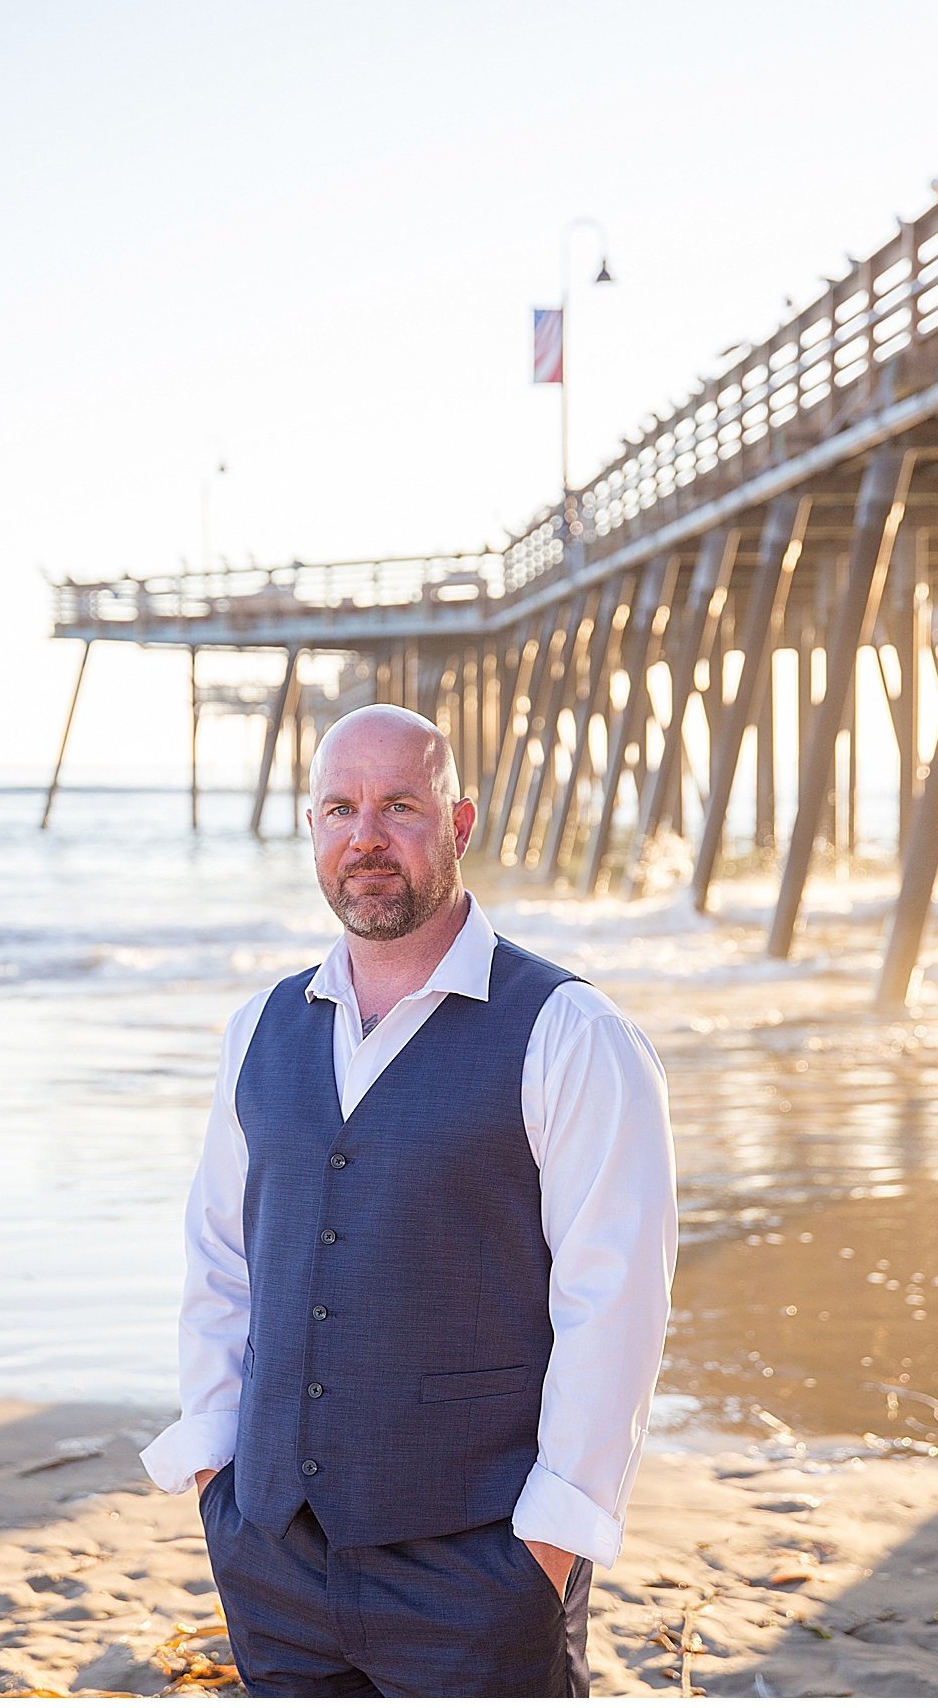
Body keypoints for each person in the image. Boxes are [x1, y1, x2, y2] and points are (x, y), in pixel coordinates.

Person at [140, 704, 677, 1697]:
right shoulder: (258, 1027)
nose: (366, 837)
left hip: (480, 1578)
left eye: (400, 805)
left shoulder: (570, 1032)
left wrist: (548, 1548)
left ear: (461, 823)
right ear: (311, 827)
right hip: (274, 1563)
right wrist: (217, 1477)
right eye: (339, 807)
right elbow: (220, 1263)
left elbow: (616, 1304)